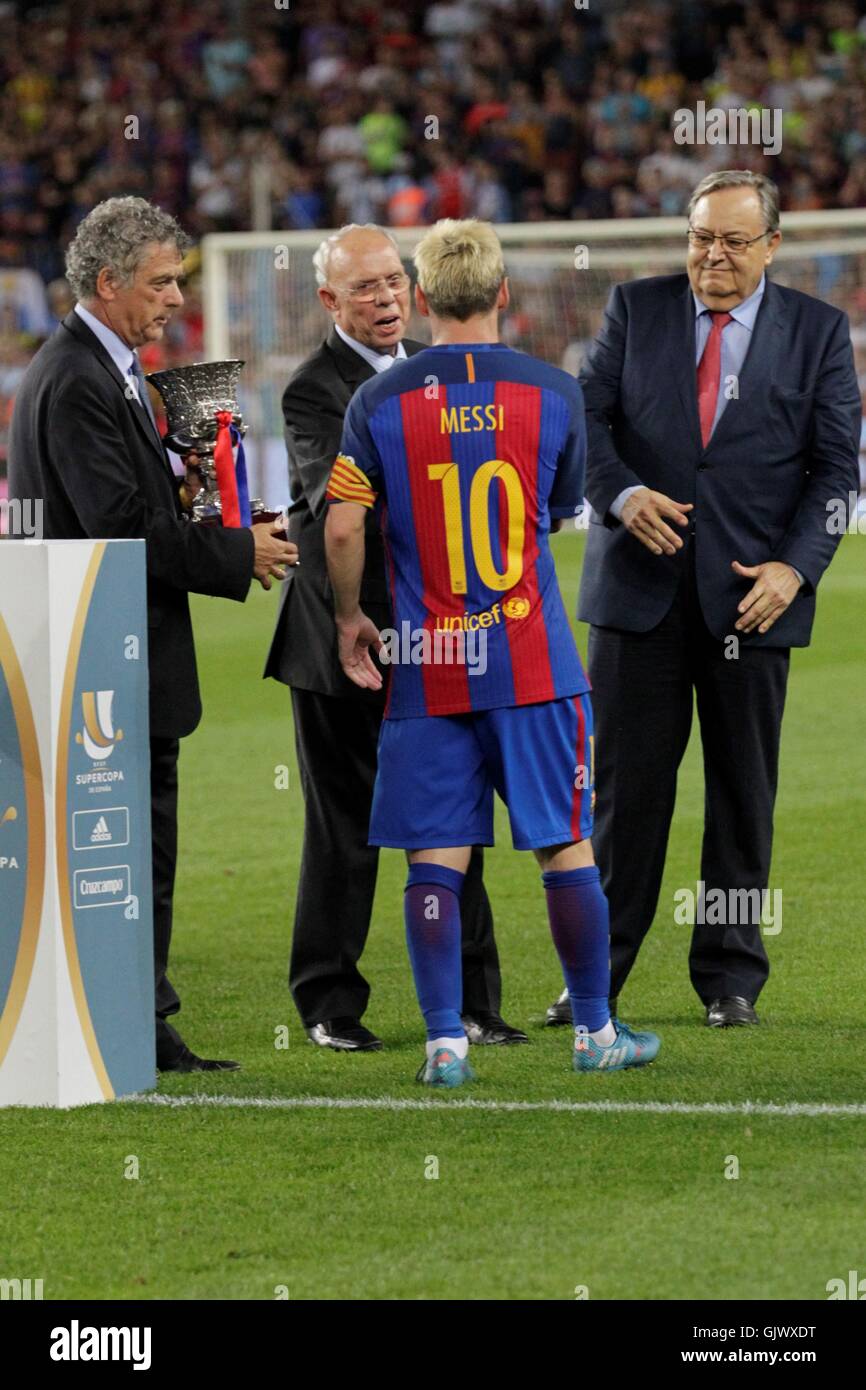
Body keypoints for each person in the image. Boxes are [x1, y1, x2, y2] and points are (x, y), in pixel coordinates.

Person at [324, 218, 660, 1084]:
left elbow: (344, 524)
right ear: (504, 293)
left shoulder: (376, 403)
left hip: (431, 664)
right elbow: (555, 511)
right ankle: (595, 1034)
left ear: (424, 298)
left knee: (435, 854)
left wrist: (351, 617)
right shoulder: (553, 391)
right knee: (565, 846)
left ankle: (444, 1042)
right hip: (531, 661)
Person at [545, 169, 861, 1030]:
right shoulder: (634, 307)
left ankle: (729, 979)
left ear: (772, 246)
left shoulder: (819, 332)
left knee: (741, 795)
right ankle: (593, 978)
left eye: (732, 240)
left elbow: (838, 471)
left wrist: (795, 570)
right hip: (638, 597)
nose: (711, 255)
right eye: (699, 236)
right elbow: (586, 419)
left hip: (752, 601)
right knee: (623, 797)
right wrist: (620, 495)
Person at [8, 196, 297, 1072]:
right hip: (104, 659)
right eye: (163, 282)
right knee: (125, 845)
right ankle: (130, 1021)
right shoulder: (76, 379)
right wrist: (235, 551)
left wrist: (209, 501)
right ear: (108, 282)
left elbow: (136, 507)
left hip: (119, 654)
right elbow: (120, 528)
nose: (177, 299)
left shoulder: (108, 372)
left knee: (135, 846)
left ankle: (140, 1016)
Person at [265, 223, 524, 1051]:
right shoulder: (313, 391)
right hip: (344, 635)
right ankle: (329, 1005)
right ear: (329, 301)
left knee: (455, 812)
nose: (385, 299)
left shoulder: (436, 370)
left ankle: (476, 1004)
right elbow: (336, 504)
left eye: (392, 283)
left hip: (437, 634)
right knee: (343, 827)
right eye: (365, 288)